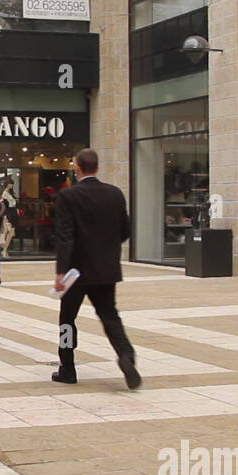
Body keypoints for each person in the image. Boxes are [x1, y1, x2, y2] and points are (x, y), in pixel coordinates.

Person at [53, 149, 140, 389]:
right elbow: (125, 231)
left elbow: (65, 237)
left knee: (67, 321)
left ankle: (67, 368)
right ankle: (126, 355)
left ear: (78, 168)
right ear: (97, 167)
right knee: (110, 316)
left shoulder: (67, 197)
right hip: (105, 269)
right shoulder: (114, 194)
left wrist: (61, 270)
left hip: (76, 272)